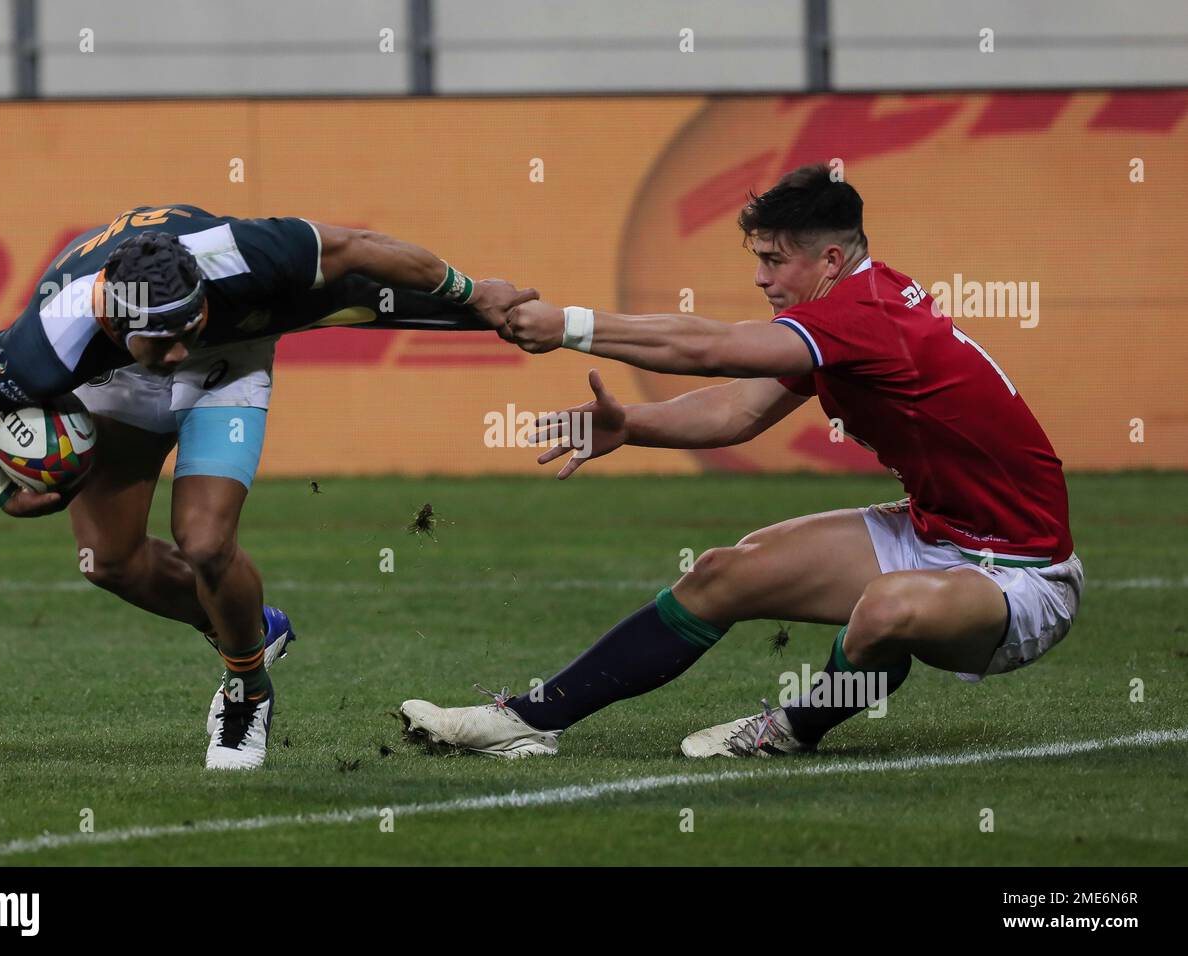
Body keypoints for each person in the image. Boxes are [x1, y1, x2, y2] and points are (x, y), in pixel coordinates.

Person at [399, 164, 1082, 759]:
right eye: (757, 258)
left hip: (1023, 576)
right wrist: (629, 425)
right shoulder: (844, 314)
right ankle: (523, 722)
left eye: (774, 261)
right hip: (935, 534)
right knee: (724, 573)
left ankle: (788, 731)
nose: (760, 277)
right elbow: (737, 413)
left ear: (831, 261)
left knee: (884, 612)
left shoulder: (862, 319)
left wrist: (572, 328)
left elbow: (712, 348)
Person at [0, 204, 535, 769]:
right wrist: (0, 489)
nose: (180, 346)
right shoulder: (46, 343)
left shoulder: (241, 255)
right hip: (115, 381)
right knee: (108, 562)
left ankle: (246, 690)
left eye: (191, 323)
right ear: (112, 321)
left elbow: (358, 249)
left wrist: (471, 292)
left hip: (228, 361)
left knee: (206, 542)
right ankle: (252, 630)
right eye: (166, 339)